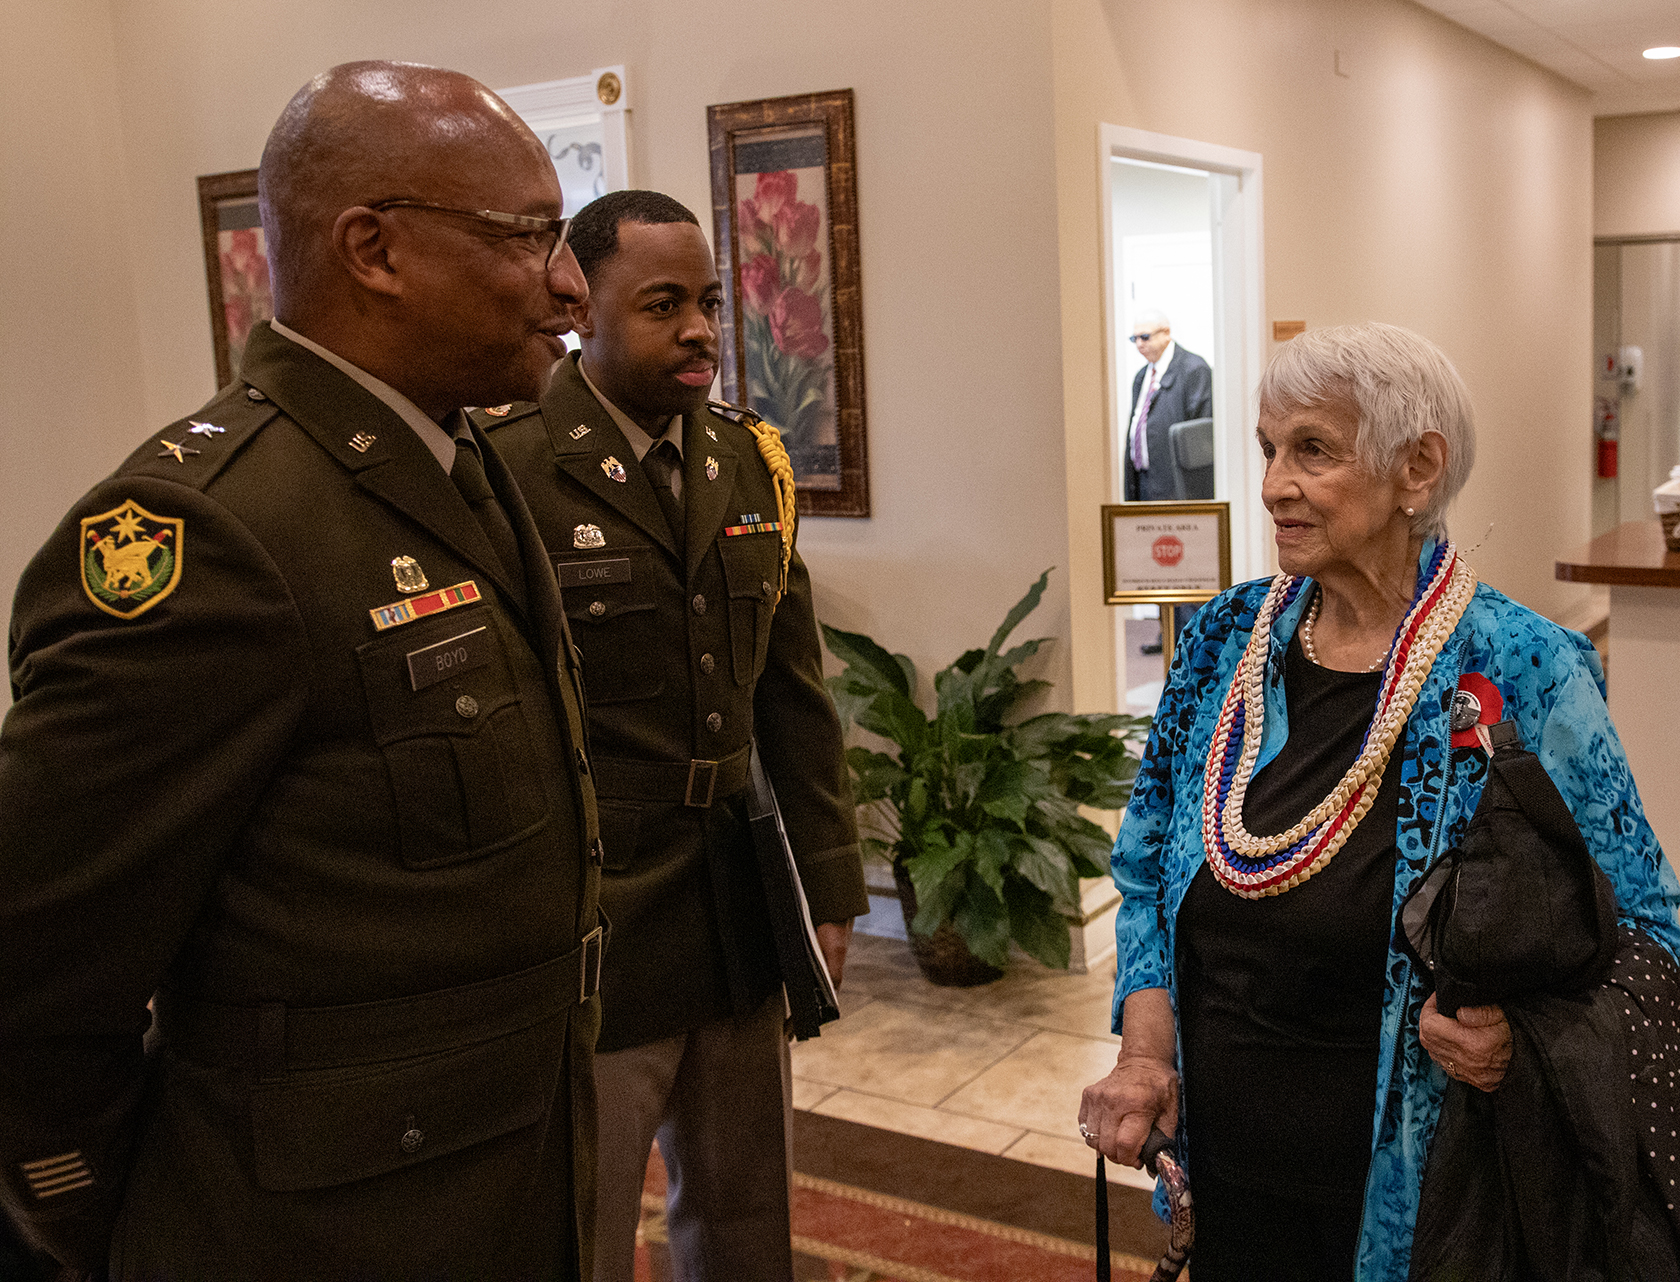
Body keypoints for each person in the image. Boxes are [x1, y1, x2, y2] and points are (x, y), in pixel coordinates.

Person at [0, 62, 607, 1280]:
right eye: (527, 234)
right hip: (324, 1226)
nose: (570, 282)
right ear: (374, 251)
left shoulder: (462, 458)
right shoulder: (217, 530)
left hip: (501, 1164)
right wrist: (111, 1222)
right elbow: (36, 961)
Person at [1078, 322, 1680, 1280]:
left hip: (1426, 1199)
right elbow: (1147, 867)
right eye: (1269, 449)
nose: (1274, 484)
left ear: (1418, 469)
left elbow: (1650, 931)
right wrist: (1146, 1056)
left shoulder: (1525, 667)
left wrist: (1519, 1038)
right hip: (1226, 1166)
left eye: (1312, 450)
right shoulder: (1223, 640)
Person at [478, 189, 867, 1282]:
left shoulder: (745, 458)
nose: (699, 330)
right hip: (594, 914)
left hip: (735, 897)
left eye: (708, 302)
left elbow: (790, 693)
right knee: (587, 1223)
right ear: (579, 309)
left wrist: (828, 884)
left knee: (746, 1212)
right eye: (662, 305)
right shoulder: (504, 466)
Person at [1122, 309, 1212, 501]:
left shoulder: (1194, 370)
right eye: (1134, 339)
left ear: (1166, 333)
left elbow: (1201, 438)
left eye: (1145, 337)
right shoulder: (1141, 376)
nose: (1139, 344)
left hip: (1179, 488)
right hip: (1143, 483)